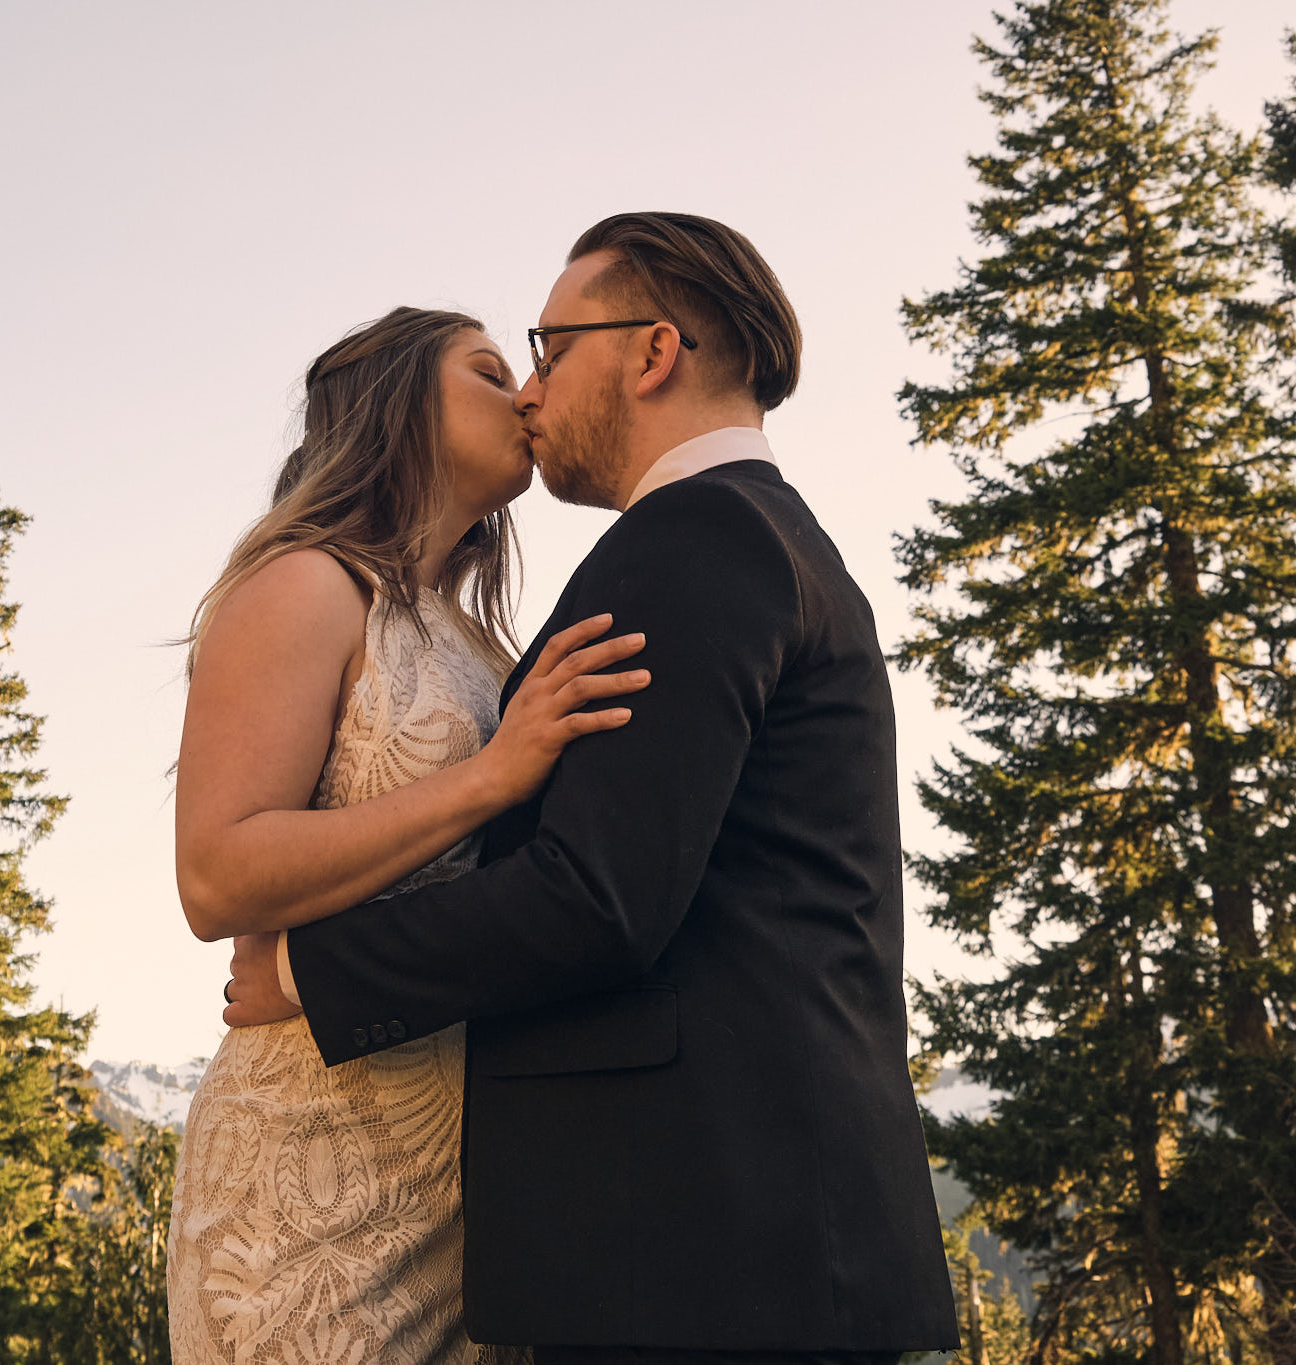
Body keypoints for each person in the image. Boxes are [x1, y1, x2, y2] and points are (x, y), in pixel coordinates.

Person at [223, 213, 963, 1365]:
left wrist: (310, 972)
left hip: (708, 1257)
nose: (531, 391)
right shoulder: (758, 539)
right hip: (736, 1249)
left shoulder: (695, 539)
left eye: (548, 350)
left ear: (650, 353)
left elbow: (596, 897)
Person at [166, 304, 651, 1365]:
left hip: (464, 1193)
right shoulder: (303, 583)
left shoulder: (482, 644)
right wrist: (486, 779)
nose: (526, 391)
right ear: (396, 407)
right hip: (302, 1175)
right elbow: (213, 875)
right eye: (488, 369)